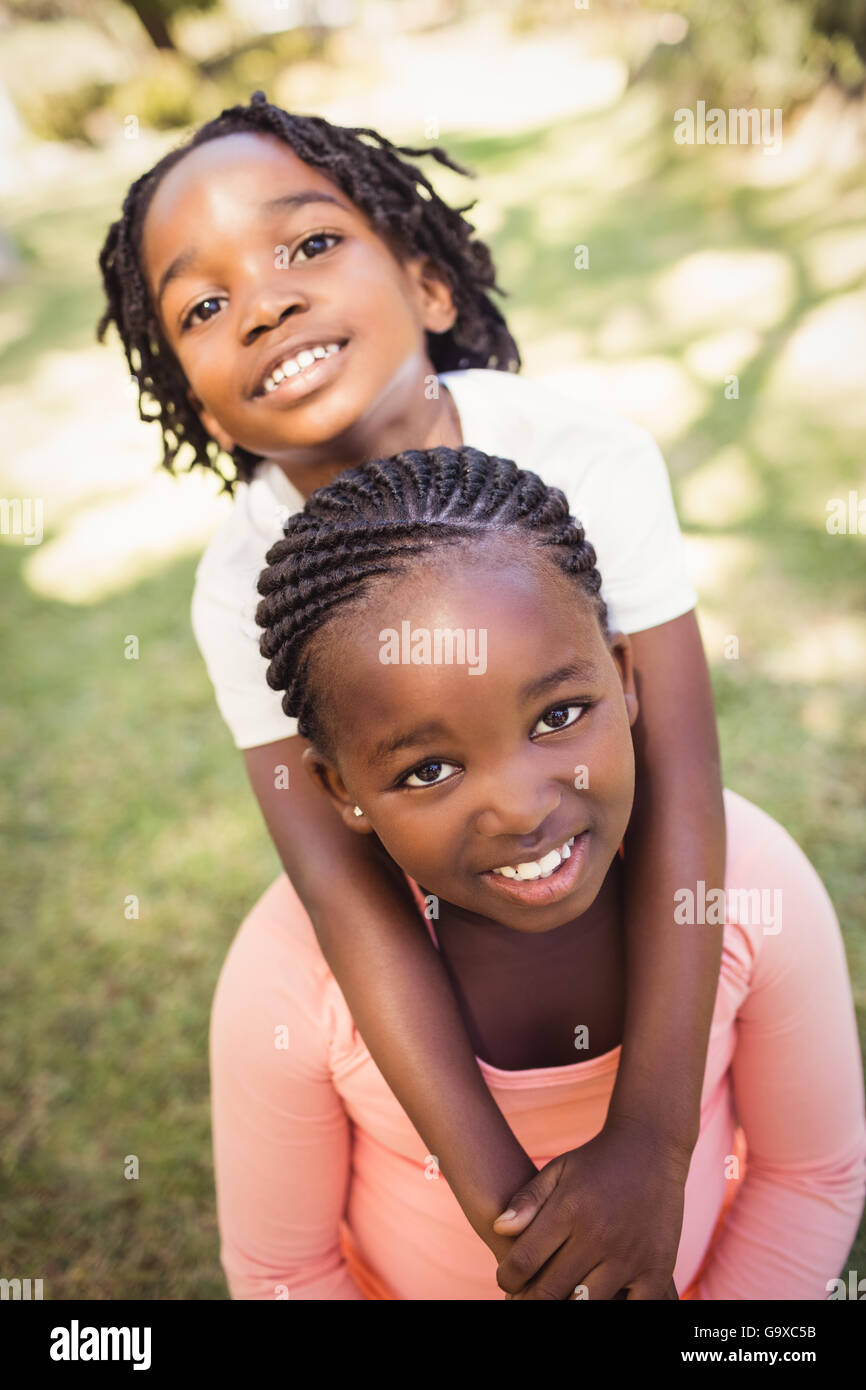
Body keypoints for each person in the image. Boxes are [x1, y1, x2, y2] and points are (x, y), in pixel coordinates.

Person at [97, 91, 727, 1296]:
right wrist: (510, 1215)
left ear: (429, 289)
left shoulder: (586, 457)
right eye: (205, 304)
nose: (266, 300)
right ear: (193, 396)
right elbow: (346, 896)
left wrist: (652, 1142)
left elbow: (687, 781)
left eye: (310, 244)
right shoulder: (240, 583)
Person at [209, 446, 865, 1300]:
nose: (520, 809)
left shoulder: (752, 885)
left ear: (626, 682)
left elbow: (811, 1176)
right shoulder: (288, 980)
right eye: (430, 771)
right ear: (341, 791)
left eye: (558, 715)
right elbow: (284, 1273)